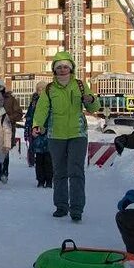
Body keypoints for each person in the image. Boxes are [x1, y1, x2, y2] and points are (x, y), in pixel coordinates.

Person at [32, 51, 98, 222]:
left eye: (65, 67)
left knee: (76, 171)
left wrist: (90, 99)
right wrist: (38, 124)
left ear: (71, 68)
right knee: (59, 171)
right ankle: (61, 206)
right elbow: (42, 109)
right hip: (56, 135)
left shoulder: (80, 85)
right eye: (59, 67)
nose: (62, 70)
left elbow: (93, 108)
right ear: (54, 70)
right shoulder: (49, 89)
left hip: (78, 134)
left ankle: (77, 208)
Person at [0, 79, 22, 184]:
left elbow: (19, 113)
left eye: (0, 87)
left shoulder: (10, 99)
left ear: (4, 87)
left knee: (5, 151)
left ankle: (4, 173)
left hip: (7, 128)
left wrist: (8, 118)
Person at [24, 81, 53, 187]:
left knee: (49, 159)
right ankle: (40, 180)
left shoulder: (51, 101)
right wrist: (28, 131)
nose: (40, 91)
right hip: (36, 134)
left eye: (43, 89)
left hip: (48, 134)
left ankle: (49, 180)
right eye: (39, 89)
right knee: (39, 159)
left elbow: (53, 118)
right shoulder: (33, 102)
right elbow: (29, 117)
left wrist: (47, 129)